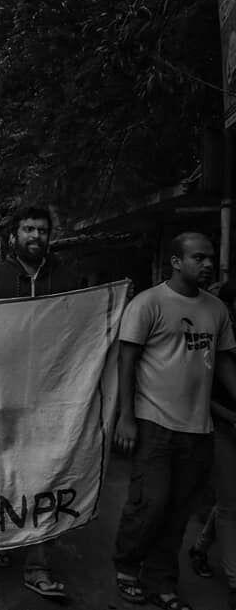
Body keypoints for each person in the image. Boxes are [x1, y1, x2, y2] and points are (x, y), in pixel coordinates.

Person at [113, 233, 236, 610]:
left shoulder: (216, 309)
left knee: (179, 512)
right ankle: (128, 569)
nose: (208, 264)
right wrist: (126, 418)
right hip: (154, 424)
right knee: (150, 503)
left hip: (198, 429)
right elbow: (127, 363)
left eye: (210, 258)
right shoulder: (147, 304)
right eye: (198, 258)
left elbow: (226, 361)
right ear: (176, 262)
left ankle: (163, 582)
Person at [0, 206, 79, 600]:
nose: (36, 235)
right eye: (28, 229)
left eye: (42, 230)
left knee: (46, 475)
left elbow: (79, 329)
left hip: (54, 395)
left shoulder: (67, 278)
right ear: (13, 235)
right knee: (2, 472)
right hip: (1, 396)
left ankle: (38, 562)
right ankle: (1, 538)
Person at [189, 280, 236, 594]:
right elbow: (199, 390)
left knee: (230, 503)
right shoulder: (214, 338)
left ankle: (200, 548)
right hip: (223, 429)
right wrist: (230, 417)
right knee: (231, 505)